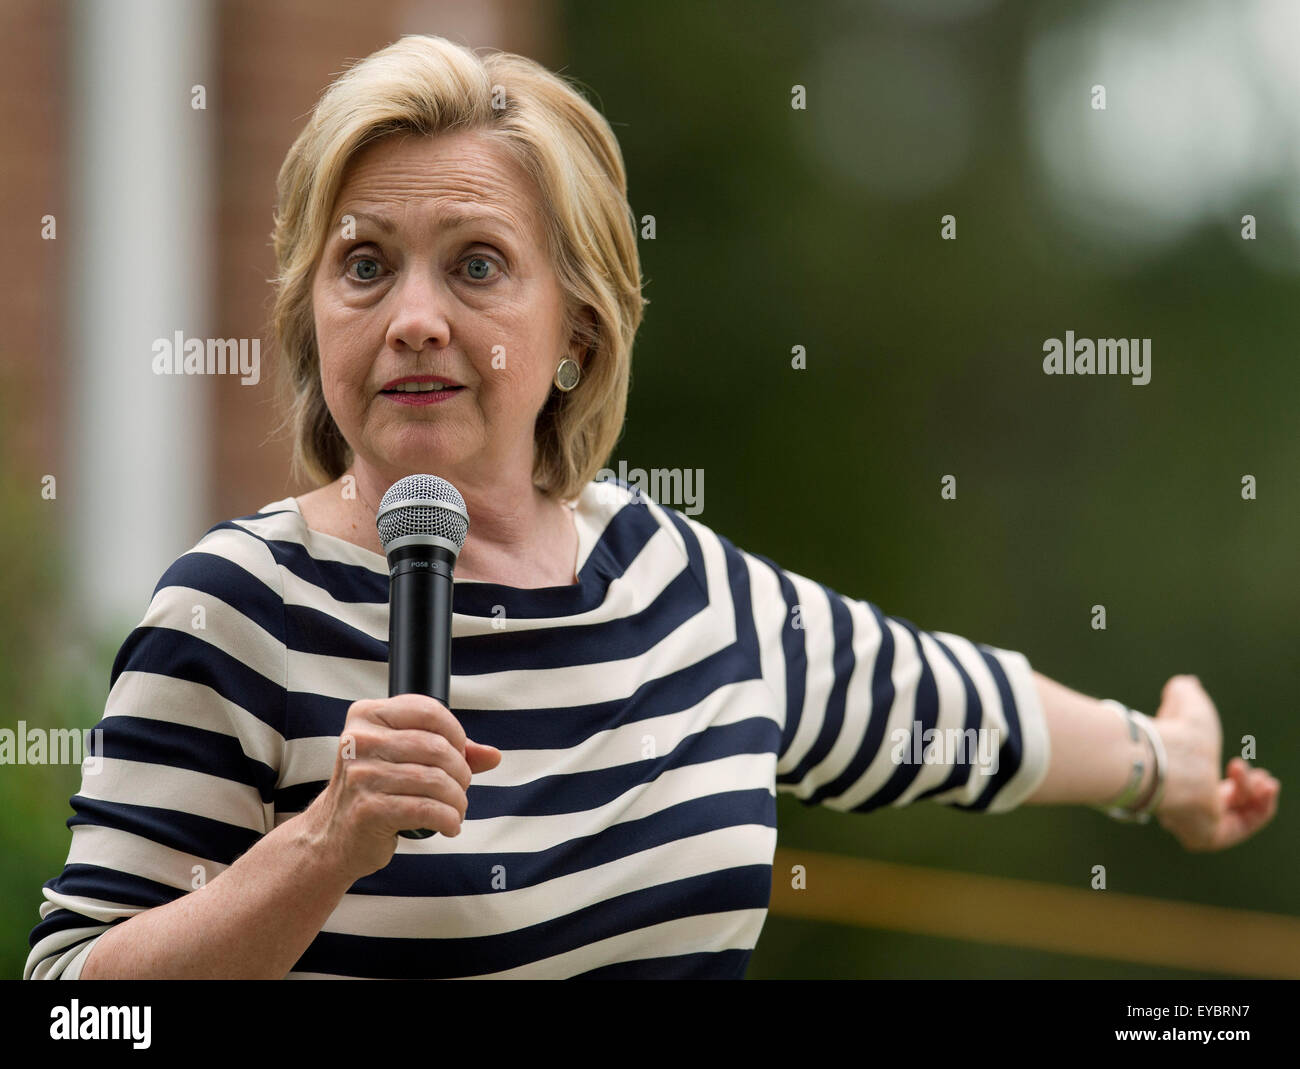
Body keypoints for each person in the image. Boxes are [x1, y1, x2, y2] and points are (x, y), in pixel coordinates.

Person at [25, 34, 1279, 981]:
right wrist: (319, 850)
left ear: (575, 327)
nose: (412, 316)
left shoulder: (678, 584)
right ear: (313, 313)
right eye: (363, 265)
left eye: (473, 265)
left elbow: (948, 707)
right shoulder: (234, 612)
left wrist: (1159, 765)